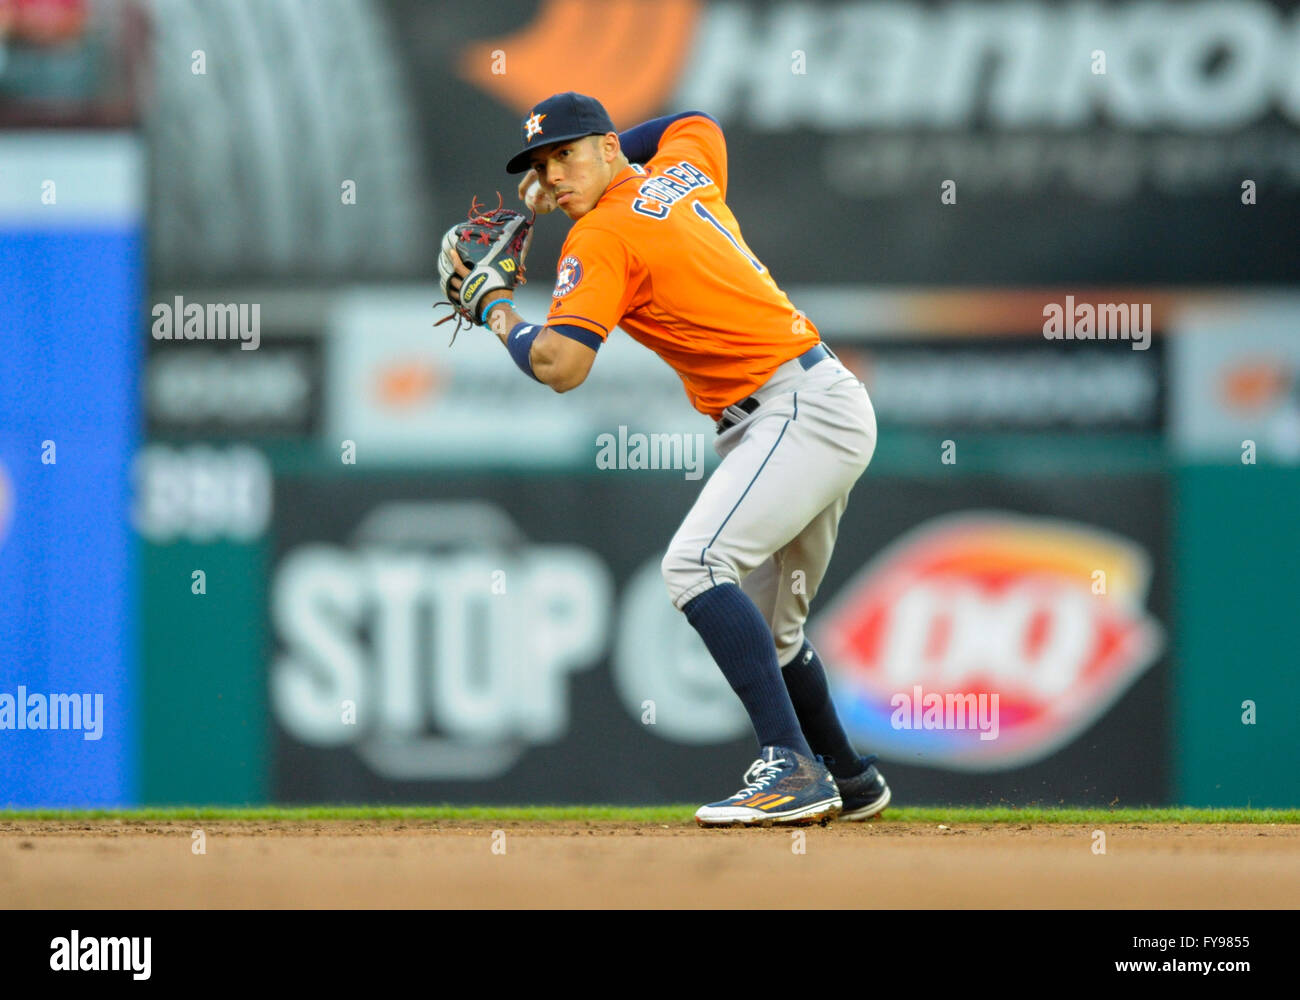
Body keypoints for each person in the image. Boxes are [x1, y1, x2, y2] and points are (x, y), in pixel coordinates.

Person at [444, 91, 890, 827]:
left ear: (611, 148)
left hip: (794, 412)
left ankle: (789, 766)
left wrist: (495, 308)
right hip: (815, 401)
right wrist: (605, 151)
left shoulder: (601, 237)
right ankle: (850, 777)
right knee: (775, 632)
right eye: (541, 164)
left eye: (567, 154)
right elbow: (696, 125)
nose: (554, 175)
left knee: (694, 566)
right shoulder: (681, 169)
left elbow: (561, 365)